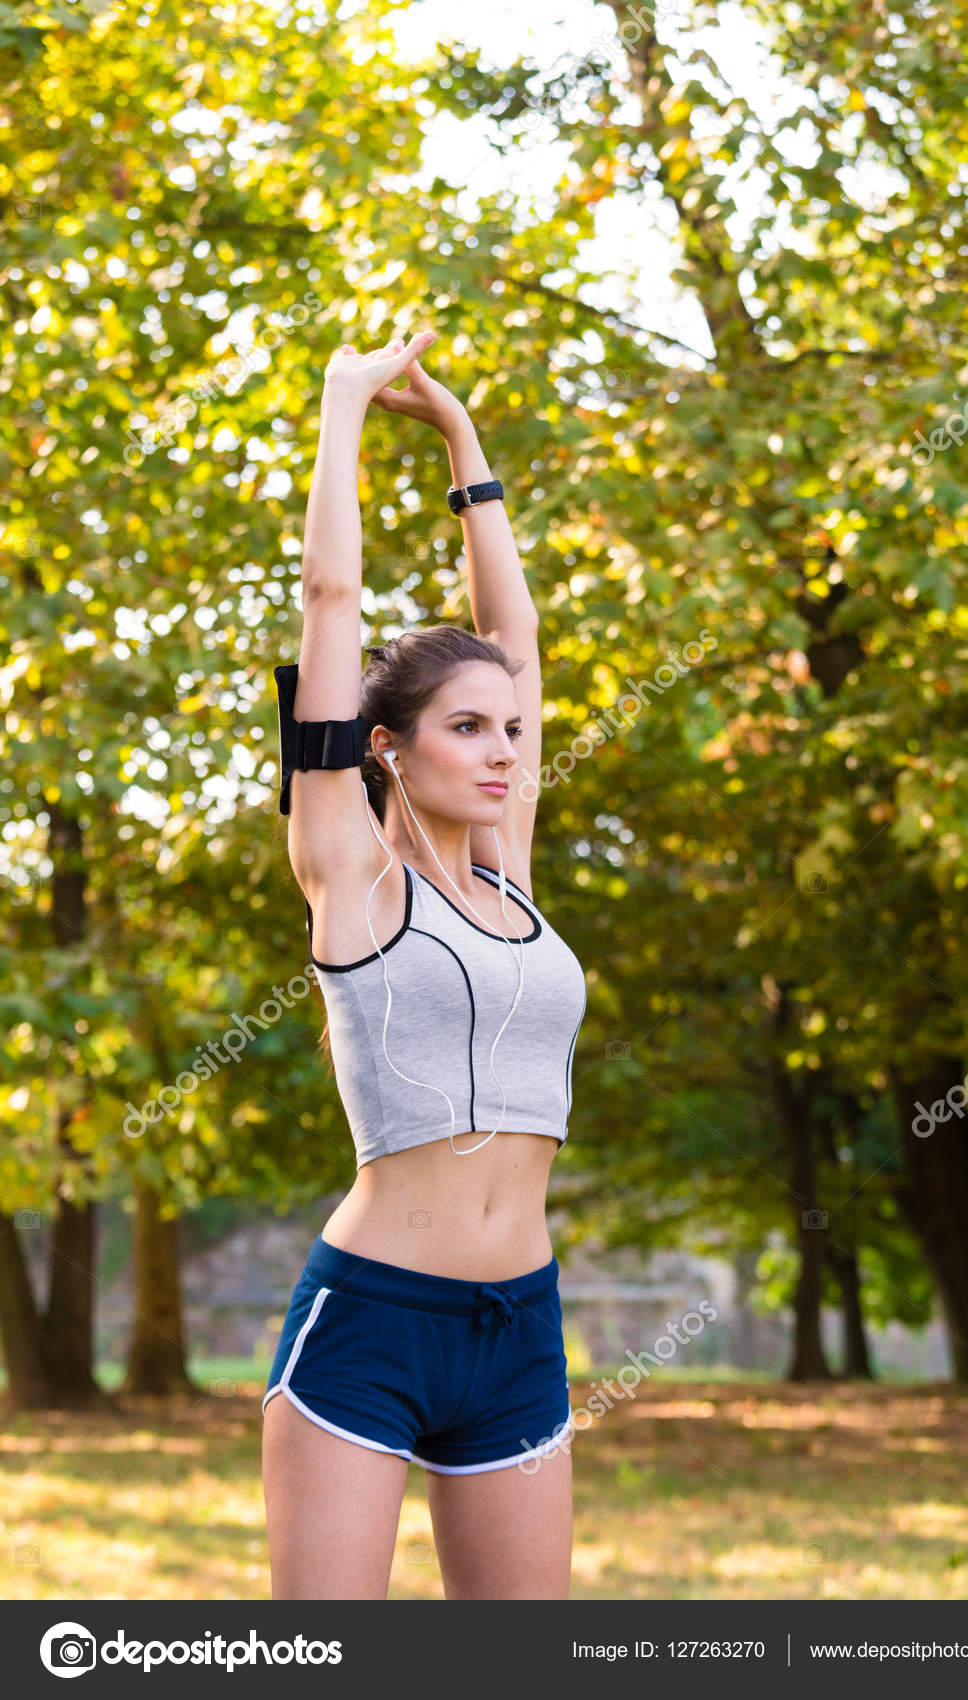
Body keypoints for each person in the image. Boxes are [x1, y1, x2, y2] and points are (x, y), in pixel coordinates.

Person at [260, 327, 588, 1602]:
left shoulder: (509, 870)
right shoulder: (348, 865)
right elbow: (328, 605)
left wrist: (463, 444)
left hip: (521, 1328)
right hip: (373, 1323)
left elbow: (516, 634)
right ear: (387, 747)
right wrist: (343, 405)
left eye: (511, 728)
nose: (505, 748)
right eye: (468, 728)